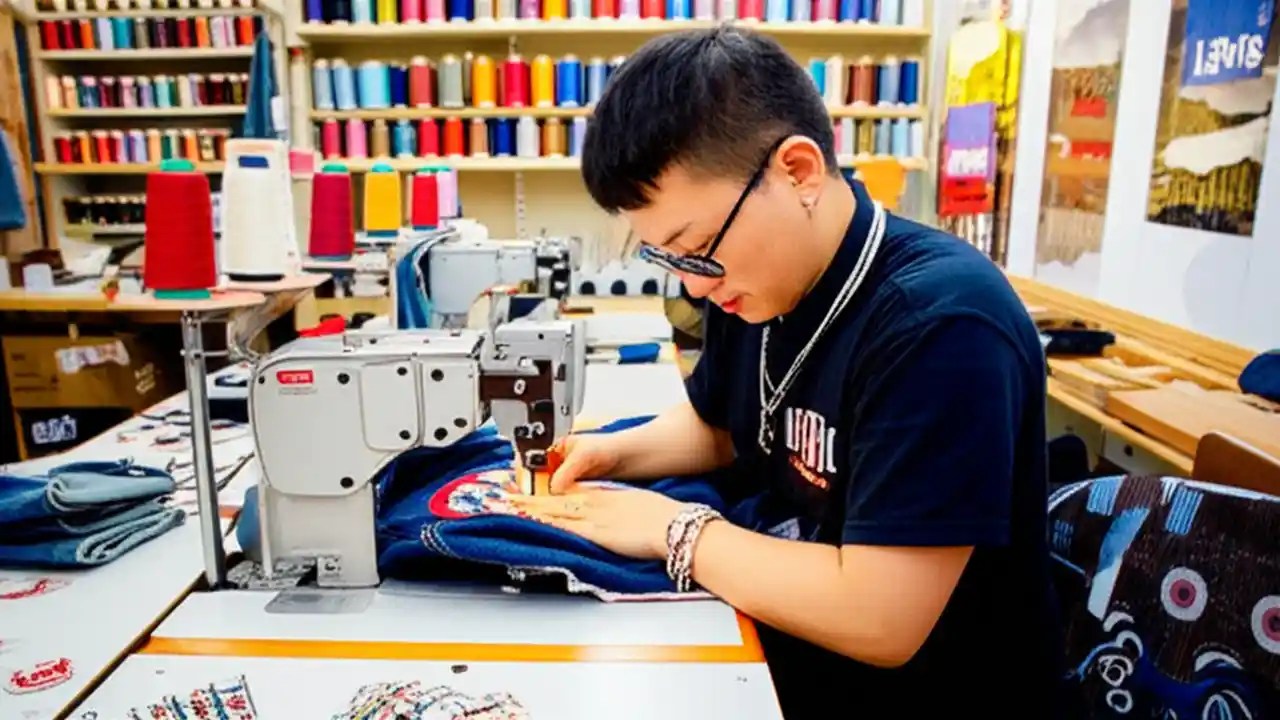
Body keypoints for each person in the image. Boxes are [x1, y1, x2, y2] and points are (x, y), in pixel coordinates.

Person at [511, 25, 1068, 717]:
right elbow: (725, 427)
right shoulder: (756, 281)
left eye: (696, 247)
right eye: (669, 258)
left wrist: (668, 527)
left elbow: (880, 617)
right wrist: (608, 454)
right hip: (788, 652)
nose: (693, 286)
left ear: (798, 172)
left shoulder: (941, 326)